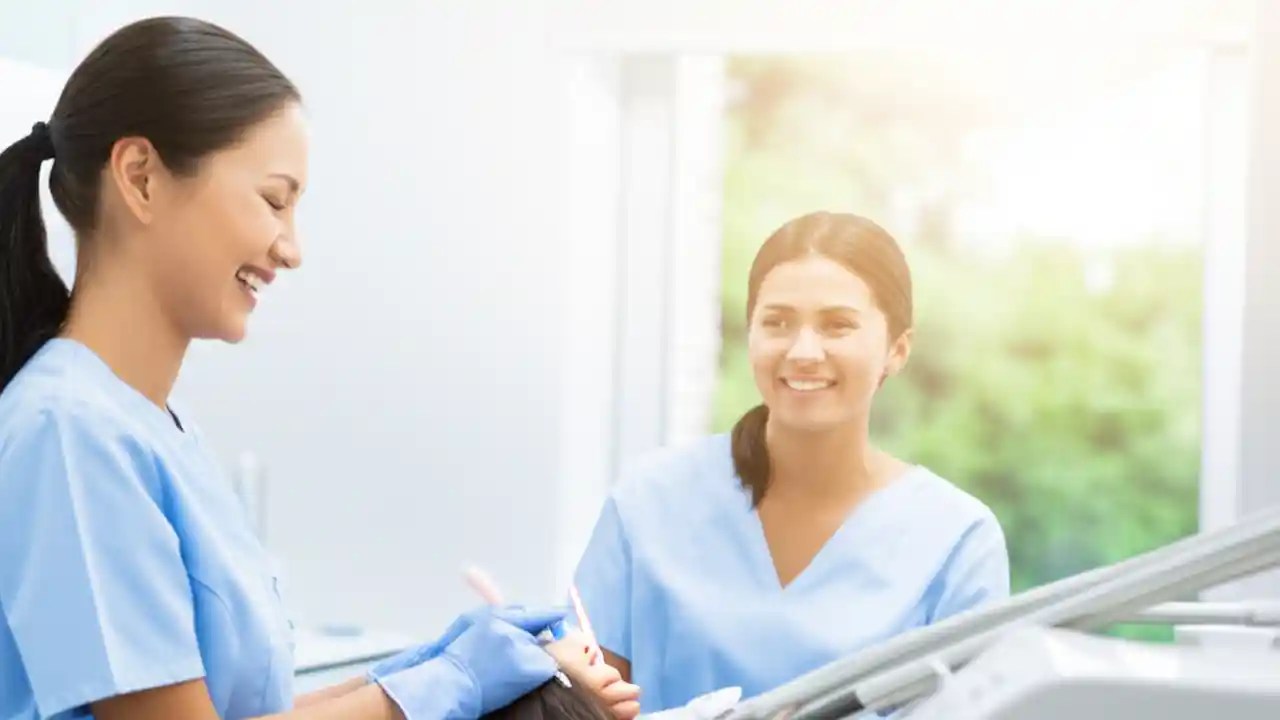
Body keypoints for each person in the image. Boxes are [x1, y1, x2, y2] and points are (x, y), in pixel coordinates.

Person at [0, 16, 562, 720]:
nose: (291, 248)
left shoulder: (155, 429)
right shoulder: (68, 431)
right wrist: (447, 683)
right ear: (141, 177)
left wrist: (430, 665)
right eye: (274, 201)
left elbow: (241, 709)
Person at [573, 211, 1011, 711]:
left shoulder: (956, 541)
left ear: (897, 349)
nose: (804, 351)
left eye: (837, 325)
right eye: (777, 322)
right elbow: (579, 705)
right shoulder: (648, 503)